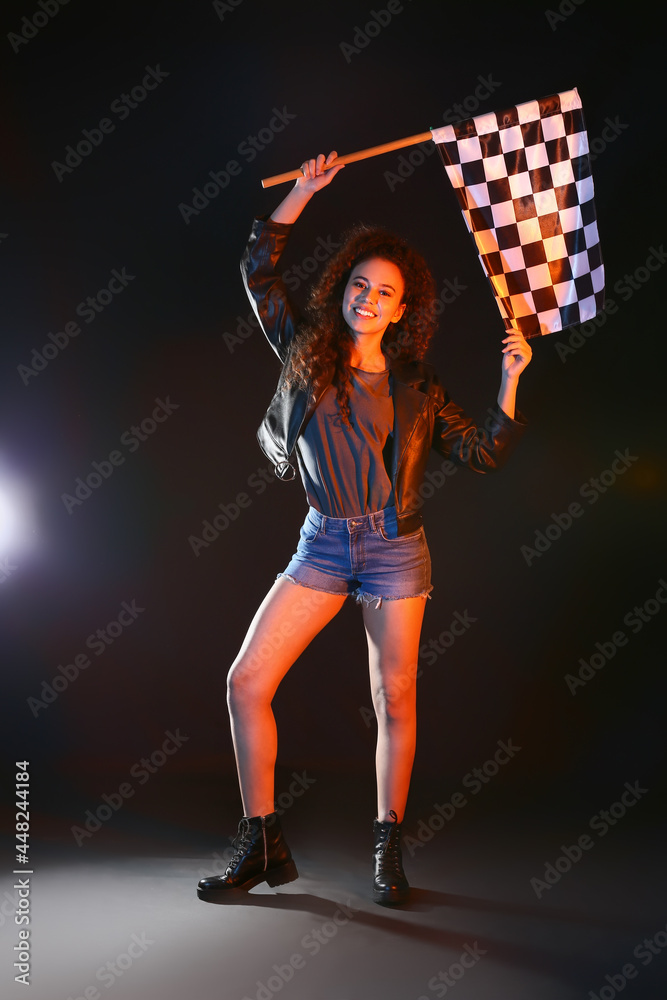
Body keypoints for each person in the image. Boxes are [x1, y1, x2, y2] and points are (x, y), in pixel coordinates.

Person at [197, 151, 532, 906]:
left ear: (402, 307)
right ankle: (262, 845)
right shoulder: (305, 351)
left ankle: (387, 847)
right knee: (247, 682)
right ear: (341, 288)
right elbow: (258, 269)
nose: (368, 299)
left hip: (392, 548)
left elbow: (480, 454)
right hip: (322, 540)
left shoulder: (415, 384)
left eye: (385, 292)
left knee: (396, 698)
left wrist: (510, 383)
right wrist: (301, 191)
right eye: (358, 284)